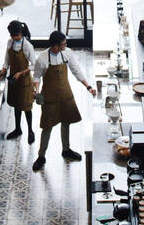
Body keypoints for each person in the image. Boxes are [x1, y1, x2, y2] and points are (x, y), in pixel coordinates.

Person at [32, 29, 96, 171]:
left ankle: (66, 150)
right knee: (47, 126)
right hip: (49, 97)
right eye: (63, 44)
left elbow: (76, 70)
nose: (65, 45)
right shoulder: (42, 58)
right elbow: (36, 77)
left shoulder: (67, 53)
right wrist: (36, 90)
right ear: (55, 46)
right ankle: (41, 156)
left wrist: (88, 87)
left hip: (65, 93)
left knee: (66, 121)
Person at [0, 20, 36, 144]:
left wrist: (21, 73)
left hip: (24, 80)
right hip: (13, 79)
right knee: (17, 105)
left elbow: (34, 65)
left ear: (21, 33)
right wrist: (2, 73)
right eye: (12, 35)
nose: (14, 37)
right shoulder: (10, 43)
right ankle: (18, 129)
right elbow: (7, 61)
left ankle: (30, 131)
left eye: (16, 35)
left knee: (27, 107)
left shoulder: (27, 46)